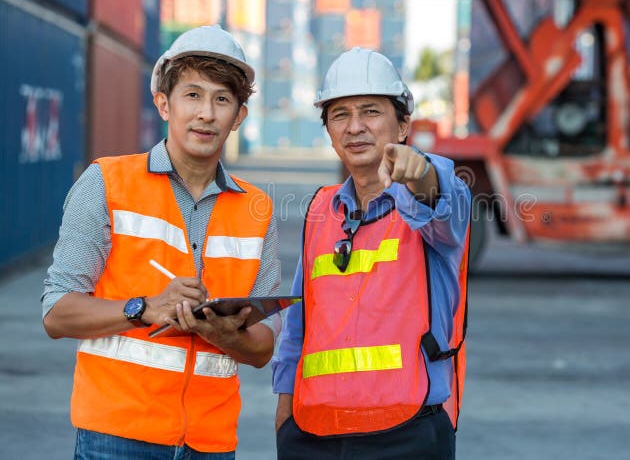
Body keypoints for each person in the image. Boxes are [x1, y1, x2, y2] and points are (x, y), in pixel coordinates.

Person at [41, 24, 281, 459]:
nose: (206, 113)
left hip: (210, 443)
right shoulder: (107, 183)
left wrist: (221, 332)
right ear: (163, 103)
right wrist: (145, 308)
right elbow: (57, 313)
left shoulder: (257, 209)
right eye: (192, 95)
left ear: (239, 116)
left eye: (222, 99)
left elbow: (262, 348)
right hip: (115, 437)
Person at [271, 47, 470, 459]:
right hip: (314, 434)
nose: (355, 127)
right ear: (328, 131)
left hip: (405, 435)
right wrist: (285, 414)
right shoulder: (321, 210)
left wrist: (421, 170)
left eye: (371, 111)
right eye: (339, 115)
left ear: (403, 125)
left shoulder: (430, 209)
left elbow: (440, 195)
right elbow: (298, 327)